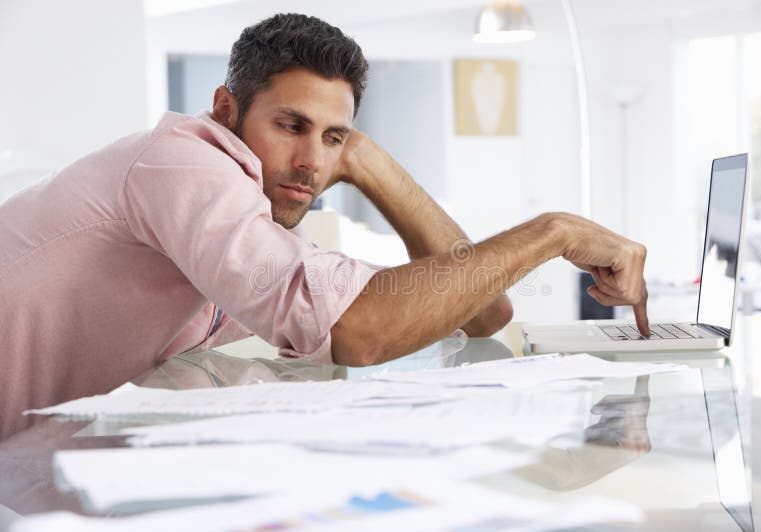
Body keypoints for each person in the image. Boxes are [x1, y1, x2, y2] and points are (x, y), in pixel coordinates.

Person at [0, 13, 648, 440]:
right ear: (226, 109)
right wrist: (553, 231)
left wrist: (370, 163)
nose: (312, 161)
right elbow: (355, 332)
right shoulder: (183, 162)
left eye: (333, 135)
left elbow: (484, 314)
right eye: (290, 126)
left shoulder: (257, 212)